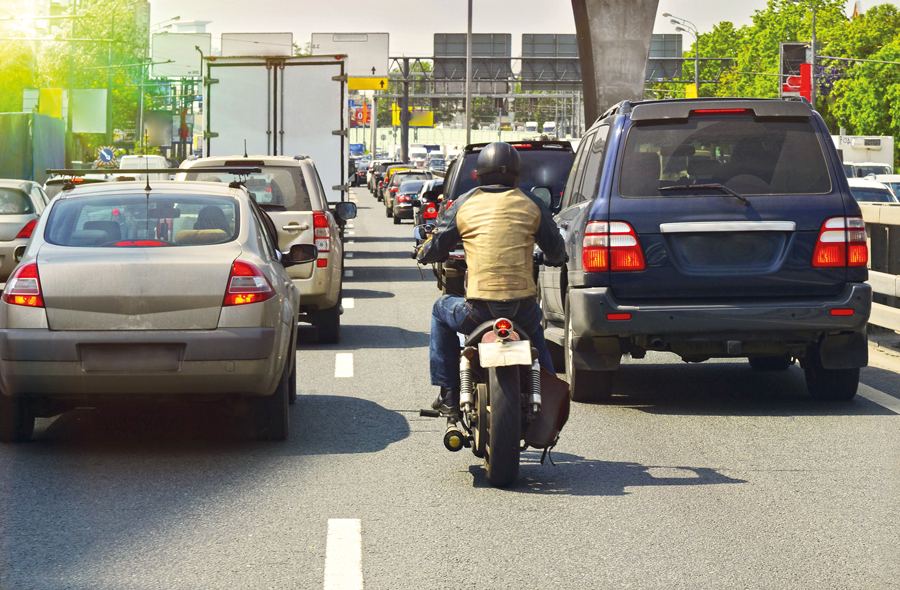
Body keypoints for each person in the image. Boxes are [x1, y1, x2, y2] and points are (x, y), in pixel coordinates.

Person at [416, 142, 567, 417]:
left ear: (480, 172)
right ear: (517, 173)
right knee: (538, 340)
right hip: (522, 310)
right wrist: (557, 258)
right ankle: (550, 395)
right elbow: (556, 250)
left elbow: (438, 244)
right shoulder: (532, 203)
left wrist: (423, 253)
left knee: (440, 310)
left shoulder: (465, 203)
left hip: (477, 310)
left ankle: (449, 393)